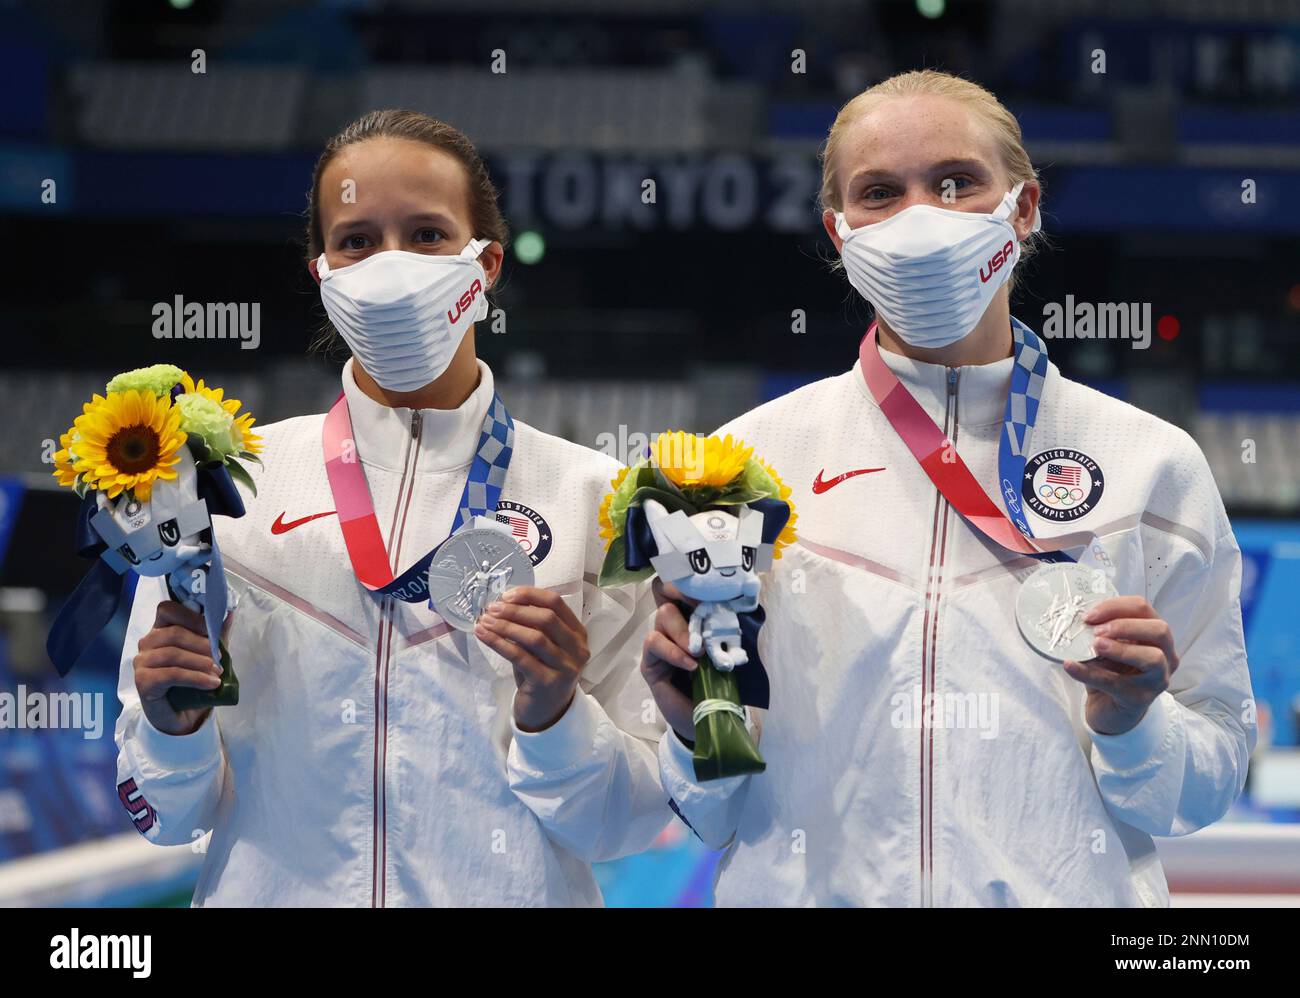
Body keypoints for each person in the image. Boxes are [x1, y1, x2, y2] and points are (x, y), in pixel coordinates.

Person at [642, 70, 1255, 906]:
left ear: (1023, 208)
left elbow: (1208, 782)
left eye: (957, 182)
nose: (921, 217)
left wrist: (1135, 727)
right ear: (838, 231)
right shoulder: (738, 470)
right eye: (879, 193)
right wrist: (692, 730)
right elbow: (709, 812)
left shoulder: (1150, 464)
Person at [113, 109, 669, 906]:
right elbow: (161, 815)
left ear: (487, 265)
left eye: (427, 234)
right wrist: (173, 731)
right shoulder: (227, 491)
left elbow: (629, 821)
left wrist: (555, 719)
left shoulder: (597, 500)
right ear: (322, 273)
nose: (391, 266)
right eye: (358, 240)